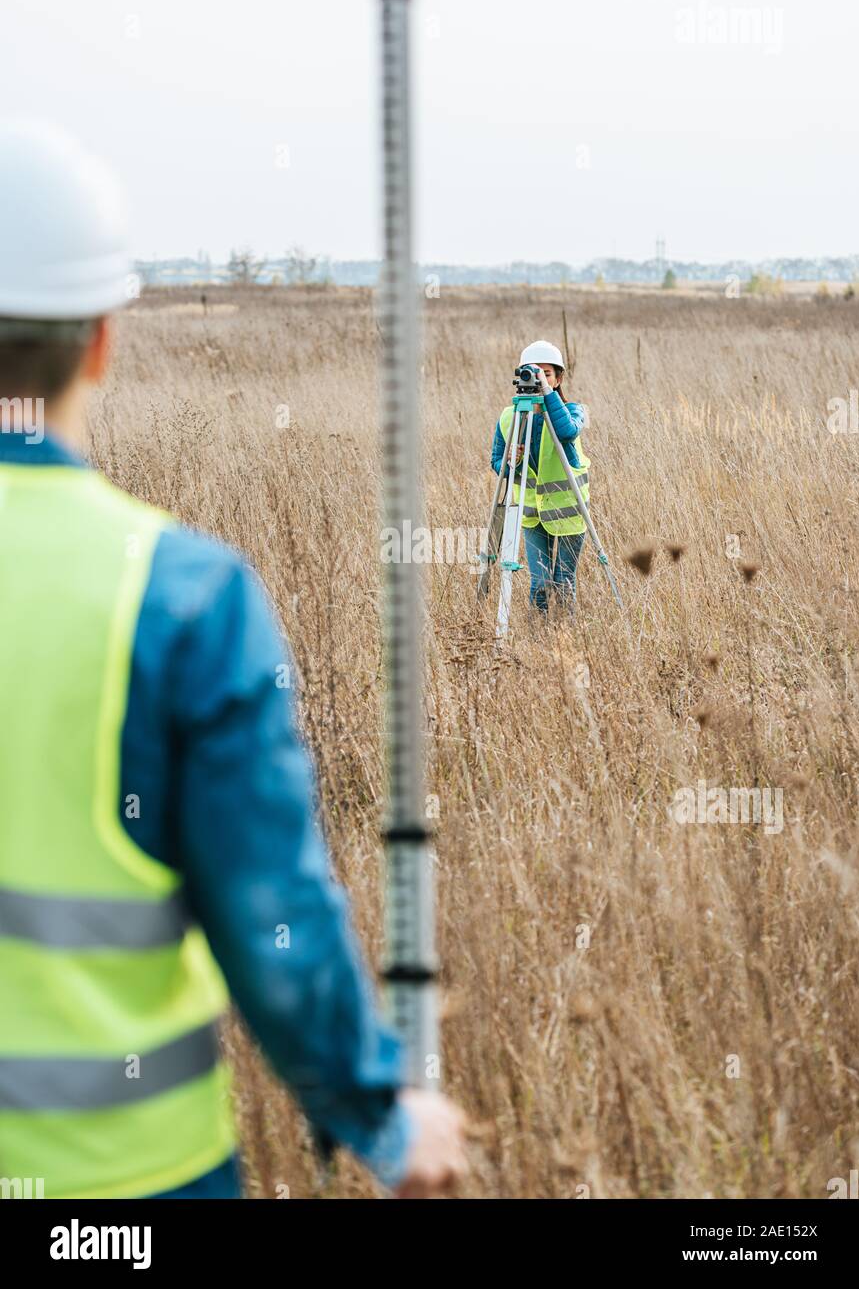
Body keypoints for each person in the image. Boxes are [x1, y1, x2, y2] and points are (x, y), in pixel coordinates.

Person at [0, 120, 466, 1200]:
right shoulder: (180, 597)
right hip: (131, 1186)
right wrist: (377, 1108)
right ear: (104, 340)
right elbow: (273, 911)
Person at [490, 340, 590, 613]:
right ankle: (539, 636)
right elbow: (496, 462)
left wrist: (547, 395)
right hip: (531, 512)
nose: (539, 378)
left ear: (559, 379)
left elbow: (567, 432)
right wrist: (510, 462)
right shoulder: (510, 416)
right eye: (532, 372)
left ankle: (565, 636)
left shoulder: (574, 410)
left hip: (569, 512)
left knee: (563, 581)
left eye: (546, 374)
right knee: (541, 582)